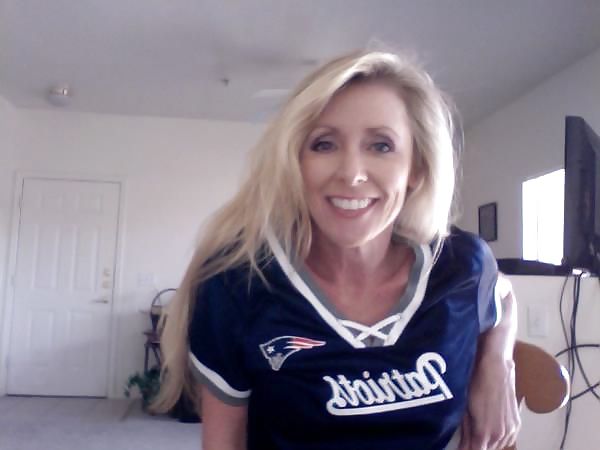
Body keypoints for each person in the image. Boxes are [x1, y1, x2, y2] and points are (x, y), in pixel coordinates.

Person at [153, 51, 520, 450]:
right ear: (295, 162)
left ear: (416, 167)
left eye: (381, 146)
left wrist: (497, 360)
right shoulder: (236, 284)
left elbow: (502, 295)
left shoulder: (461, 266)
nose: (351, 173)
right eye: (324, 144)